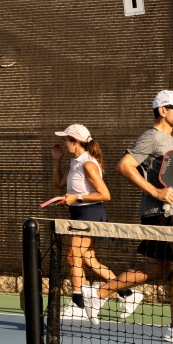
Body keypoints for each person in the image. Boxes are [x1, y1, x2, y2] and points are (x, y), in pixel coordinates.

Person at [89, 90, 173, 343]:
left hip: (168, 211)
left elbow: (170, 183)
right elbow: (124, 166)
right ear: (163, 111)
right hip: (162, 214)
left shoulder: (169, 141)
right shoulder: (152, 137)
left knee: (158, 268)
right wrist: (156, 193)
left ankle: (98, 294)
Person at [49, 123, 119, 322]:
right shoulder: (75, 162)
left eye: (66, 139)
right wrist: (57, 160)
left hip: (90, 212)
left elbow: (105, 194)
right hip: (79, 213)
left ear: (75, 141)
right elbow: (58, 184)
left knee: (72, 256)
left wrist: (76, 198)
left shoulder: (88, 164)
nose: (64, 142)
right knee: (88, 260)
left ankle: (78, 303)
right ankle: (127, 294)